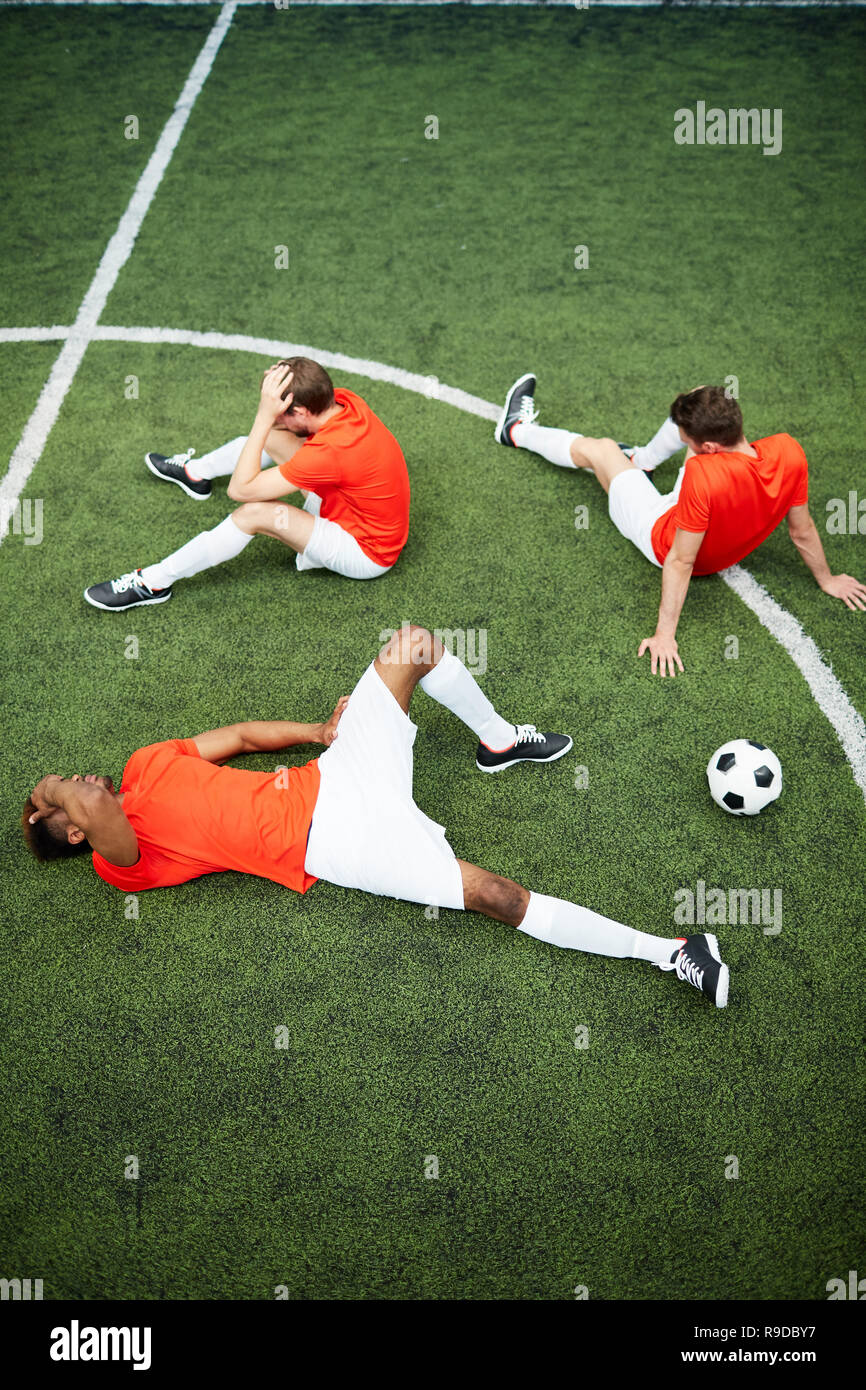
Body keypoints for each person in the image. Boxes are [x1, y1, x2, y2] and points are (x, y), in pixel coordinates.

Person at [21, 623, 728, 1007]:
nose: (77, 780)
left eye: (64, 779)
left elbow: (235, 739)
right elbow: (94, 803)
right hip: (339, 843)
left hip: (334, 774)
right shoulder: (123, 862)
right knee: (495, 895)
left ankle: (500, 740)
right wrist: (45, 795)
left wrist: (321, 734)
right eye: (61, 794)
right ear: (75, 832)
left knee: (413, 644)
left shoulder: (149, 762)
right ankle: (672, 953)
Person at [495, 374, 866, 676]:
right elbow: (801, 530)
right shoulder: (788, 450)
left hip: (656, 531)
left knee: (604, 451)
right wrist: (827, 579)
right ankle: (640, 461)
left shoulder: (703, 476)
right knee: (695, 399)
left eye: (688, 438)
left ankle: (514, 431)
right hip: (707, 518)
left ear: (707, 449)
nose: (683, 436)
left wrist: (664, 636)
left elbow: (680, 561)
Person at [83, 358, 410, 610]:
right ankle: (196, 474)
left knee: (253, 512)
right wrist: (282, 389)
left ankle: (153, 583)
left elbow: (239, 491)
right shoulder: (341, 401)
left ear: (300, 409)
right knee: (273, 438)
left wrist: (263, 417)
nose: (276, 415)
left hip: (365, 552)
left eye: (283, 411)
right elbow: (295, 430)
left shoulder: (328, 453)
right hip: (350, 507)